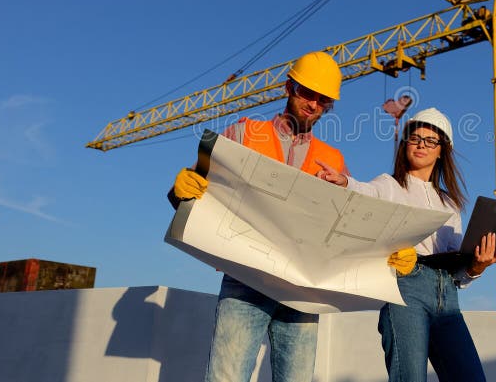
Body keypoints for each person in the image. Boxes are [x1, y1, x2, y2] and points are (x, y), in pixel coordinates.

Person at [166, 50, 411, 382]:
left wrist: (387, 253)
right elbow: (193, 192)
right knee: (227, 377)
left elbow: (349, 231)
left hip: (303, 291)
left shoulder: (332, 160)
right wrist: (179, 190)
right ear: (288, 88)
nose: (312, 104)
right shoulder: (243, 134)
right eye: (306, 93)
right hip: (246, 277)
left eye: (322, 99)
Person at [316, 107, 496, 382]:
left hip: (448, 298)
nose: (421, 145)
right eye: (415, 138)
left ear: (442, 151)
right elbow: (365, 192)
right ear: (404, 145)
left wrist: (477, 267)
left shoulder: (450, 204)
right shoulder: (389, 185)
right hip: (406, 291)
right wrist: (344, 182)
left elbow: (459, 275)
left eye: (430, 141)